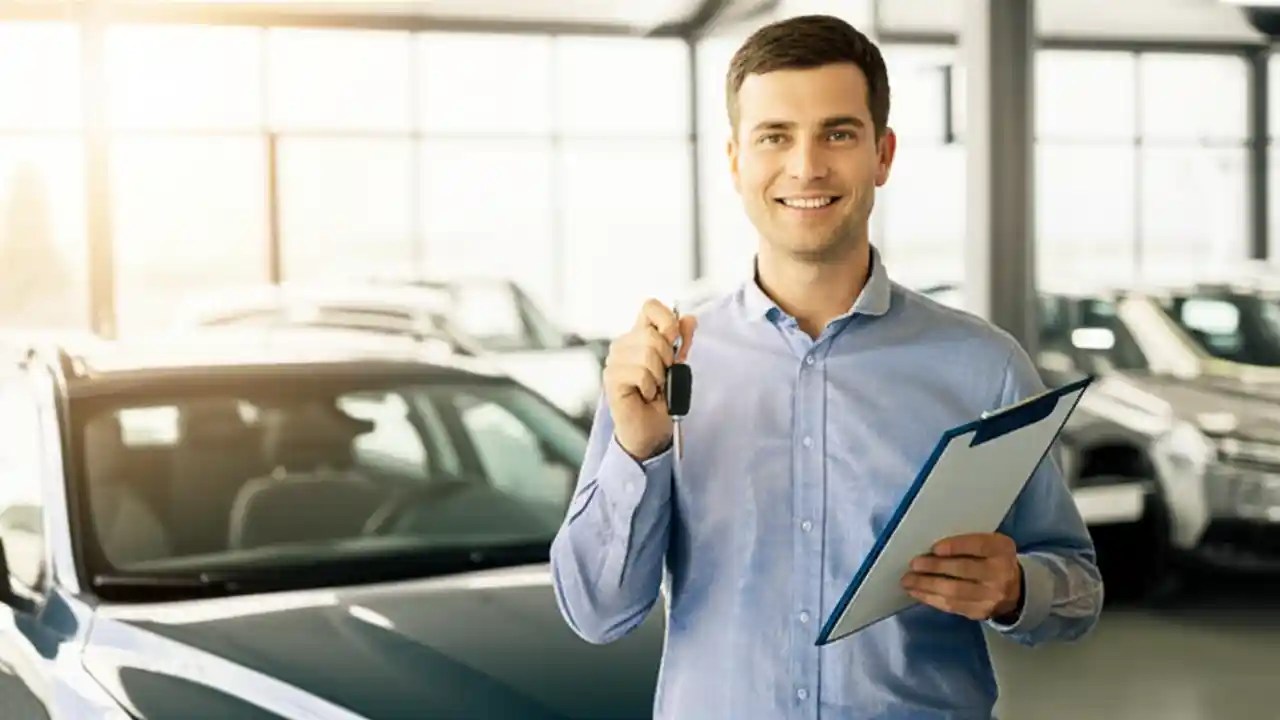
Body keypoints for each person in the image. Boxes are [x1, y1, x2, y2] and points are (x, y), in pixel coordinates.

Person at [549, 13, 1102, 719]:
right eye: (774, 136)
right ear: (735, 161)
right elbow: (596, 613)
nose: (806, 167)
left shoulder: (982, 366)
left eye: (838, 133)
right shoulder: (665, 365)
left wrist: (1019, 587)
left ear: (883, 154)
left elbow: (1078, 589)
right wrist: (638, 446)